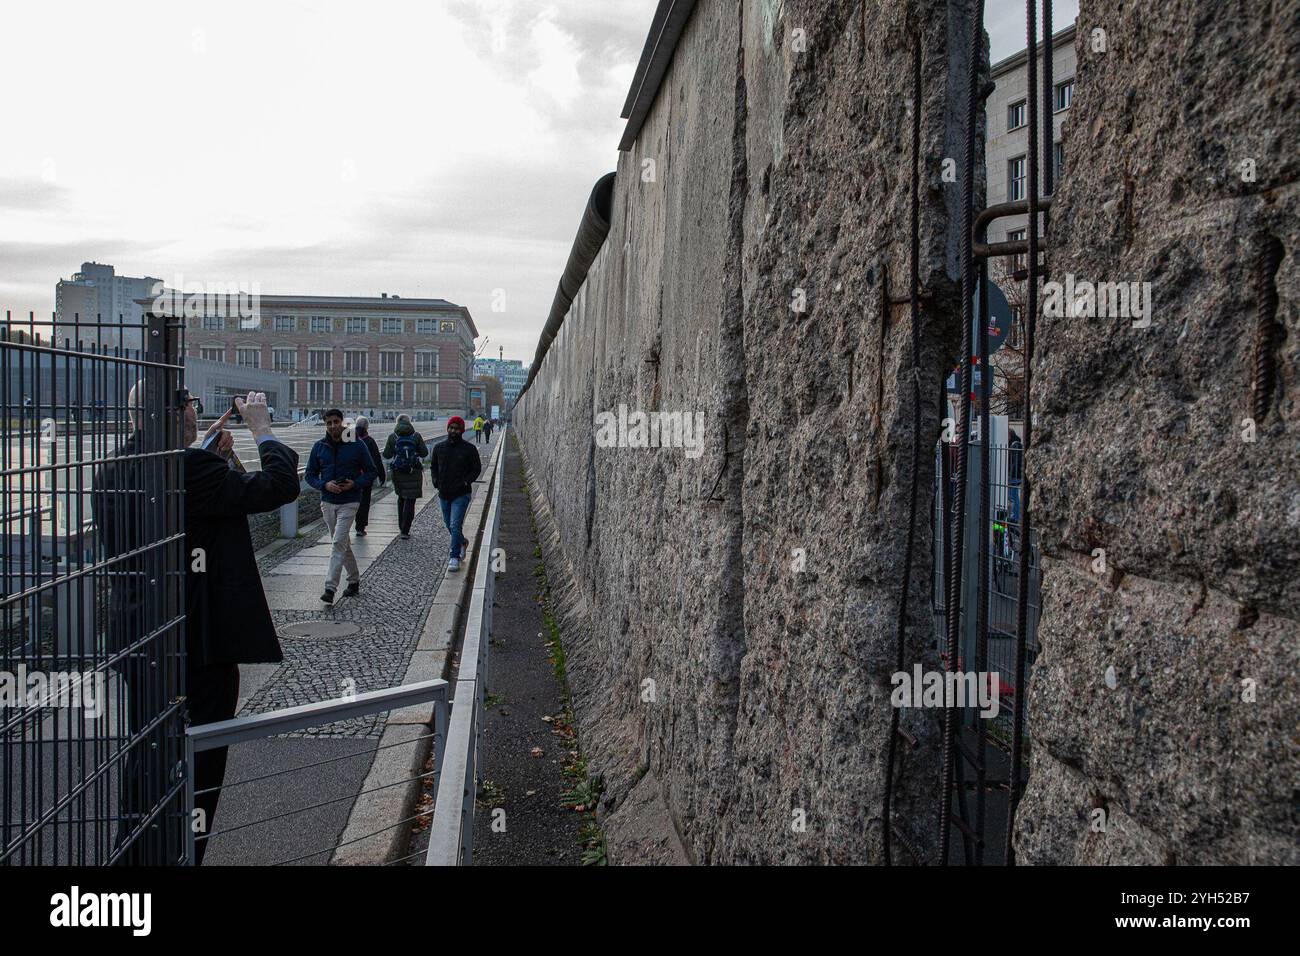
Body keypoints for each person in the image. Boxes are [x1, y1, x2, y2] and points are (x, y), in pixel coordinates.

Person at [94, 387, 299, 865]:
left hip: (138, 638)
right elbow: (278, 488)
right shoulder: (190, 471)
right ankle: (183, 857)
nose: (194, 407)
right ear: (168, 412)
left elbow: (182, 508)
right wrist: (261, 428)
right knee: (199, 763)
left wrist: (207, 452)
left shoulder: (113, 470)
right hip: (198, 642)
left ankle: (135, 855)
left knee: (148, 752)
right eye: (184, 400)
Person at [304, 409, 377, 604]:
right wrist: (324, 485)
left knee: (338, 543)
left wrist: (355, 483)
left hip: (350, 501)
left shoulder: (357, 444)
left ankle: (330, 587)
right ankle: (354, 580)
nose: (333, 426)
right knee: (342, 543)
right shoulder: (319, 447)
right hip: (328, 502)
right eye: (329, 423)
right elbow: (309, 474)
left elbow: (371, 471)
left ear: (342, 422)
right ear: (325, 425)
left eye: (336, 421)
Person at [430, 416, 481, 572]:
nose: (453, 431)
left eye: (456, 428)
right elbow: (433, 466)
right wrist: (435, 481)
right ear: (448, 429)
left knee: (455, 524)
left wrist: (466, 482)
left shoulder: (469, 449)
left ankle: (454, 556)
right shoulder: (439, 448)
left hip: (461, 494)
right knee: (449, 525)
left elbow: (476, 469)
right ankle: (462, 542)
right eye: (451, 428)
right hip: (443, 493)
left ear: (462, 430)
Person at [382, 414, 430, 539]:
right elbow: (425, 452)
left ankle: (401, 526)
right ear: (410, 422)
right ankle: (405, 529)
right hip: (413, 472)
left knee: (401, 498)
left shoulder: (393, 436)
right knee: (410, 500)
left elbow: (387, 455)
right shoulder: (416, 436)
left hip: (398, 472)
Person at [353, 415, 386, 536]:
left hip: (352, 476)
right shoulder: (370, 441)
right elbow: (377, 459)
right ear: (367, 426)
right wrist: (382, 476)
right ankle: (360, 527)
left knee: (351, 500)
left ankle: (347, 524)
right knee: (364, 501)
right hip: (366, 477)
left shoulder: (349, 438)